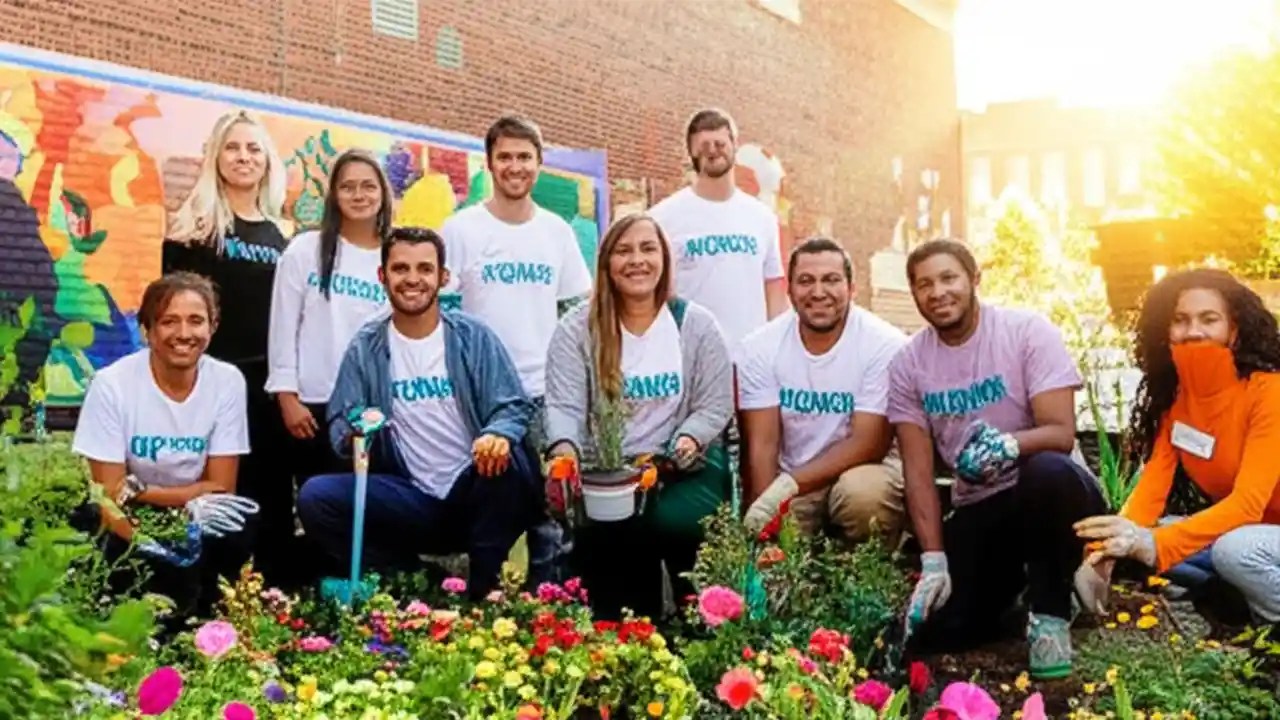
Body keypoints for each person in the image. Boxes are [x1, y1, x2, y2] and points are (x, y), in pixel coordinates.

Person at [888, 239, 1104, 679]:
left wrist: (1008, 446)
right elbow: (917, 470)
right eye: (924, 284)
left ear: (974, 279)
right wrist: (933, 561)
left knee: (1044, 472)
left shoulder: (1026, 331)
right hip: (982, 506)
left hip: (1057, 496)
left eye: (949, 278)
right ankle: (1016, 591)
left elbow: (1060, 434)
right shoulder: (908, 363)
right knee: (944, 630)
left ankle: (1050, 615)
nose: (938, 292)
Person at [296, 227, 539, 600]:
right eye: (400, 269)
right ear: (383, 276)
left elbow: (511, 406)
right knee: (316, 498)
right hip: (410, 496)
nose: (412, 279)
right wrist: (353, 435)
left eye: (425, 269)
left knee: (512, 462)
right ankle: (415, 577)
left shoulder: (473, 338)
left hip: (473, 488)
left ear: (442, 277)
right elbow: (341, 419)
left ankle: (484, 591)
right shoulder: (366, 348)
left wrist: (498, 435)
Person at [544, 213, 734, 621]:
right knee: (612, 536)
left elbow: (714, 404)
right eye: (623, 250)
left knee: (671, 522)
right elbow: (564, 405)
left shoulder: (696, 325)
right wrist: (564, 452)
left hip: (682, 465)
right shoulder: (577, 329)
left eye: (648, 249)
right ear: (606, 263)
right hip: (607, 471)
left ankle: (698, 623)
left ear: (664, 259)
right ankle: (629, 628)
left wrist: (685, 442)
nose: (637, 260)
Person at [1075, 269, 1280, 626]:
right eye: (1180, 320)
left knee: (1234, 551)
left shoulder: (1269, 393)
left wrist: (1154, 546)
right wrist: (1101, 552)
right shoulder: (1178, 402)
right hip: (1260, 537)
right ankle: (1239, 619)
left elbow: (1248, 505)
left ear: (1235, 330)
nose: (1193, 331)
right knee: (1155, 533)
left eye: (1209, 319)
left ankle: (1272, 646)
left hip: (1254, 540)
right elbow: (1149, 495)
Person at [441, 115, 593, 586]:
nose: (514, 166)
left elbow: (577, 312)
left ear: (539, 164)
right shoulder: (461, 229)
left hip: (546, 393)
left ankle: (550, 612)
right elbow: (445, 318)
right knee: (491, 508)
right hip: (483, 399)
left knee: (553, 511)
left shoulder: (556, 232)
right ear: (489, 164)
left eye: (524, 157)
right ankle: (484, 604)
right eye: (504, 156)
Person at [70, 273, 258, 618]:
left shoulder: (227, 381)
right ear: (147, 331)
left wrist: (141, 489)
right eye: (169, 321)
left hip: (195, 514)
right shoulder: (112, 385)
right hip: (127, 516)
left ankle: (210, 625)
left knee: (237, 533)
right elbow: (109, 494)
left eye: (196, 321)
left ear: (213, 327)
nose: (184, 334)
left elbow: (221, 488)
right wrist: (153, 548)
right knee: (104, 541)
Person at [161, 109, 293, 587]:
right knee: (218, 492)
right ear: (217, 158)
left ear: (267, 162)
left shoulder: (285, 235)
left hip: (268, 386)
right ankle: (210, 591)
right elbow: (169, 316)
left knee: (271, 492)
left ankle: (272, 596)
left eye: (253, 148)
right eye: (233, 148)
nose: (243, 157)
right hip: (212, 379)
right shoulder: (193, 227)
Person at [264, 149, 391, 586]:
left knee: (365, 508)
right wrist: (286, 395)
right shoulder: (306, 250)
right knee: (316, 509)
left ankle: (368, 588)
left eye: (368, 185)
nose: (359, 195)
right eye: (348, 186)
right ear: (334, 195)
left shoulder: (394, 257)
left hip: (372, 410)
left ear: (383, 193)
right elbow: (282, 326)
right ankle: (314, 597)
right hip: (312, 408)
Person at [739, 237, 907, 546]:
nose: (818, 292)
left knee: (862, 497)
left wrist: (788, 485)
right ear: (789, 291)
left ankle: (866, 577)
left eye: (831, 280)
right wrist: (765, 511)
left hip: (866, 469)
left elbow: (869, 442)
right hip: (794, 479)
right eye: (806, 281)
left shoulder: (883, 344)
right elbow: (762, 443)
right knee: (779, 561)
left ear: (852, 289)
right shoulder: (759, 347)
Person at [648, 108, 787, 353]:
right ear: (691, 152)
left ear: (734, 146)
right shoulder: (661, 218)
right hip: (690, 358)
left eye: (720, 143)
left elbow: (773, 288)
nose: (712, 150)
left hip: (751, 361)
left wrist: (778, 348)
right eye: (704, 145)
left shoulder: (762, 217)